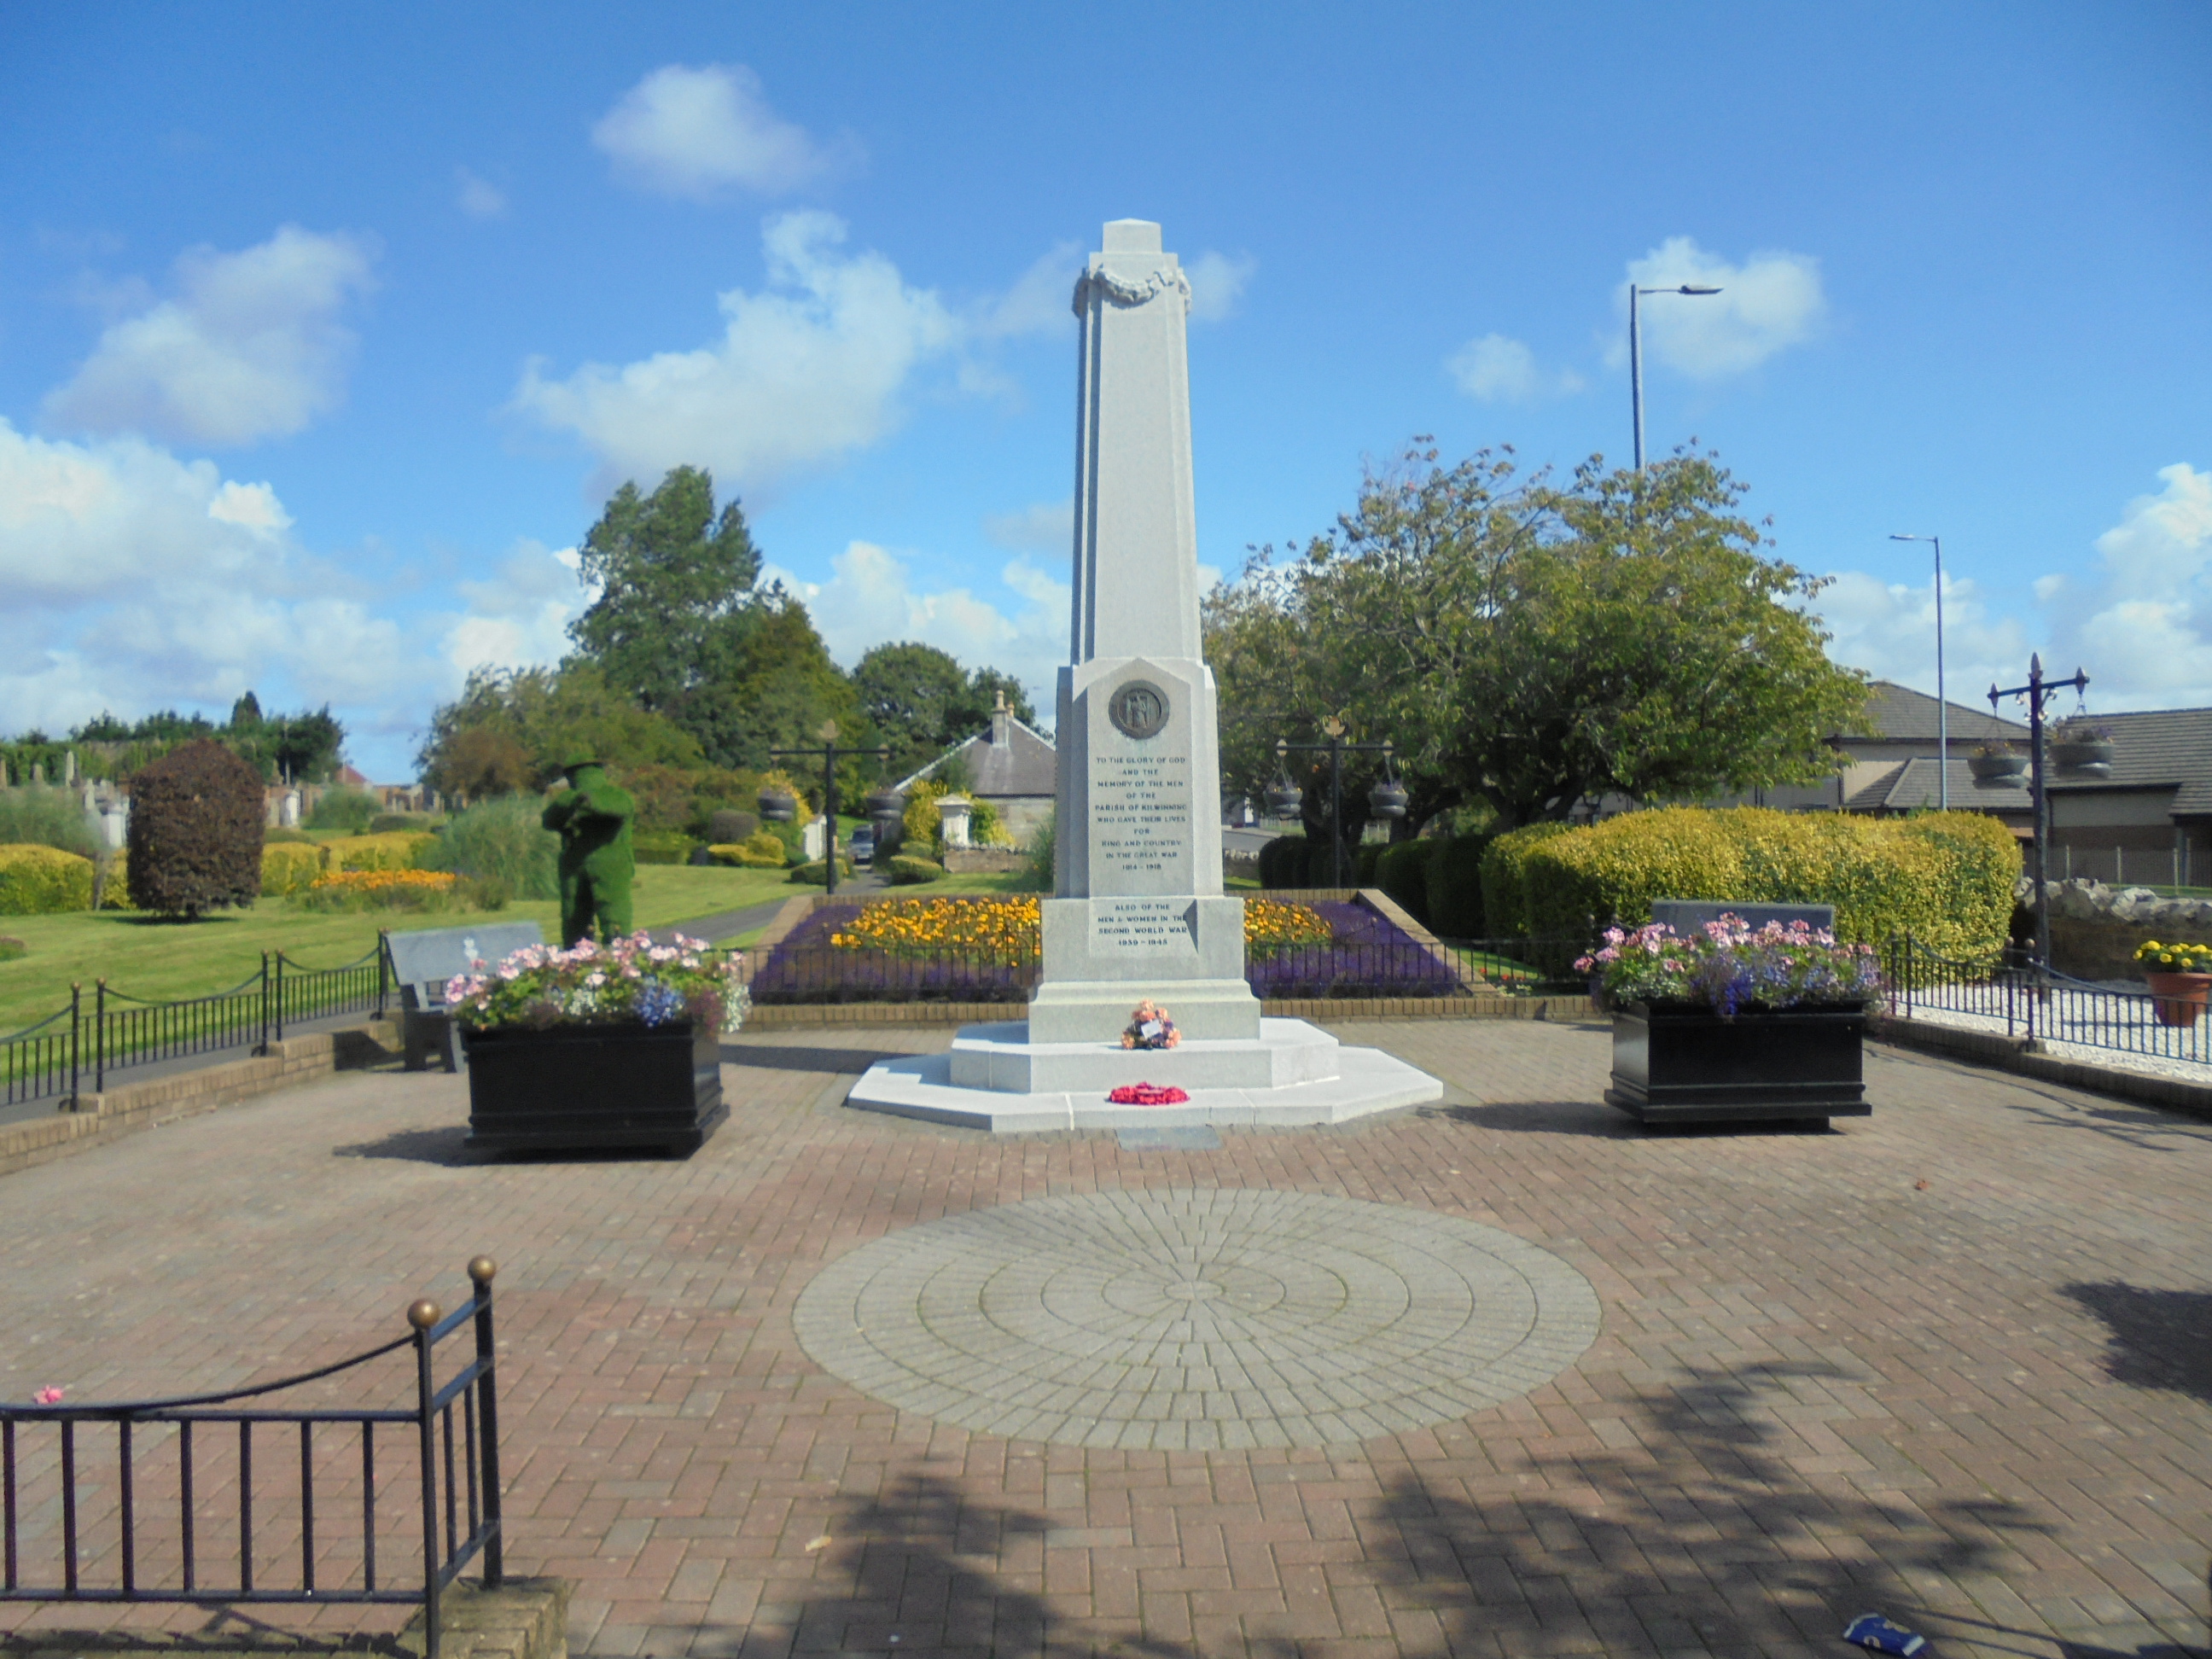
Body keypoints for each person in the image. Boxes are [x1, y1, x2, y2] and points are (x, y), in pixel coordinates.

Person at [541, 751, 636, 946]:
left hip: (606, 863)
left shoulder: (612, 795)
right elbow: (549, 819)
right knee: (580, 918)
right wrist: (577, 801)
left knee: (610, 917)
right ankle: (604, 961)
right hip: (585, 865)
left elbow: (620, 808)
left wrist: (586, 801)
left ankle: (609, 959)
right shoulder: (572, 799)